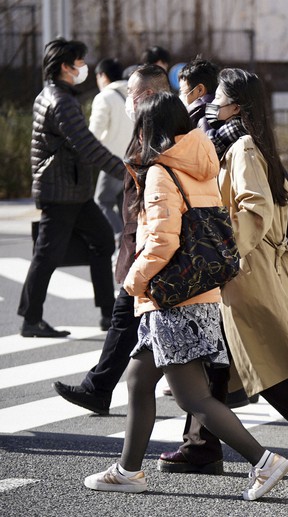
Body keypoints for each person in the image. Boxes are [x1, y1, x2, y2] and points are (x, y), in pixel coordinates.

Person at [83, 92, 288, 500]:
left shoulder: (162, 172)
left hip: (172, 298)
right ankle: (128, 470)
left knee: (192, 397)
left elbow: (162, 241)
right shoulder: (200, 164)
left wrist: (133, 282)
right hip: (196, 292)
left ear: (148, 129)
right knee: (138, 380)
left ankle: (265, 463)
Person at [162, 68, 288, 478]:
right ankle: (200, 446)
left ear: (236, 104)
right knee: (219, 361)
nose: (213, 103)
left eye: (219, 96)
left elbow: (256, 208)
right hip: (246, 272)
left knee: (259, 366)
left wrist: (225, 254)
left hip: (244, 273)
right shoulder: (245, 143)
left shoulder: (244, 147)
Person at [51, 65, 172, 415]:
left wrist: (146, 248)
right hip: (146, 247)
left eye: (132, 94)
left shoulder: (161, 135)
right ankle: (98, 388)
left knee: (134, 320)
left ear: (147, 96)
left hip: (155, 249)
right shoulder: (152, 128)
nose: (127, 102)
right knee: (129, 319)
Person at [18, 38, 124, 338]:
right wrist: (126, 172)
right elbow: (88, 146)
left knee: (102, 240)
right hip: (62, 190)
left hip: (70, 188)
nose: (83, 68)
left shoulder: (52, 95)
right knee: (48, 254)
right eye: (79, 62)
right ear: (65, 67)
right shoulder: (61, 102)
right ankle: (31, 319)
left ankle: (107, 313)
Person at [90, 58, 133, 241]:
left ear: (102, 75)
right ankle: (128, 248)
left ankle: (119, 239)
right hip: (131, 161)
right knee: (122, 205)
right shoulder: (132, 96)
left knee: (102, 201)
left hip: (111, 161)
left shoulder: (104, 97)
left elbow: (93, 134)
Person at [178, 58, 219, 130]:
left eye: (184, 93)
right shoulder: (221, 110)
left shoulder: (204, 121)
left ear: (200, 90)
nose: (181, 97)